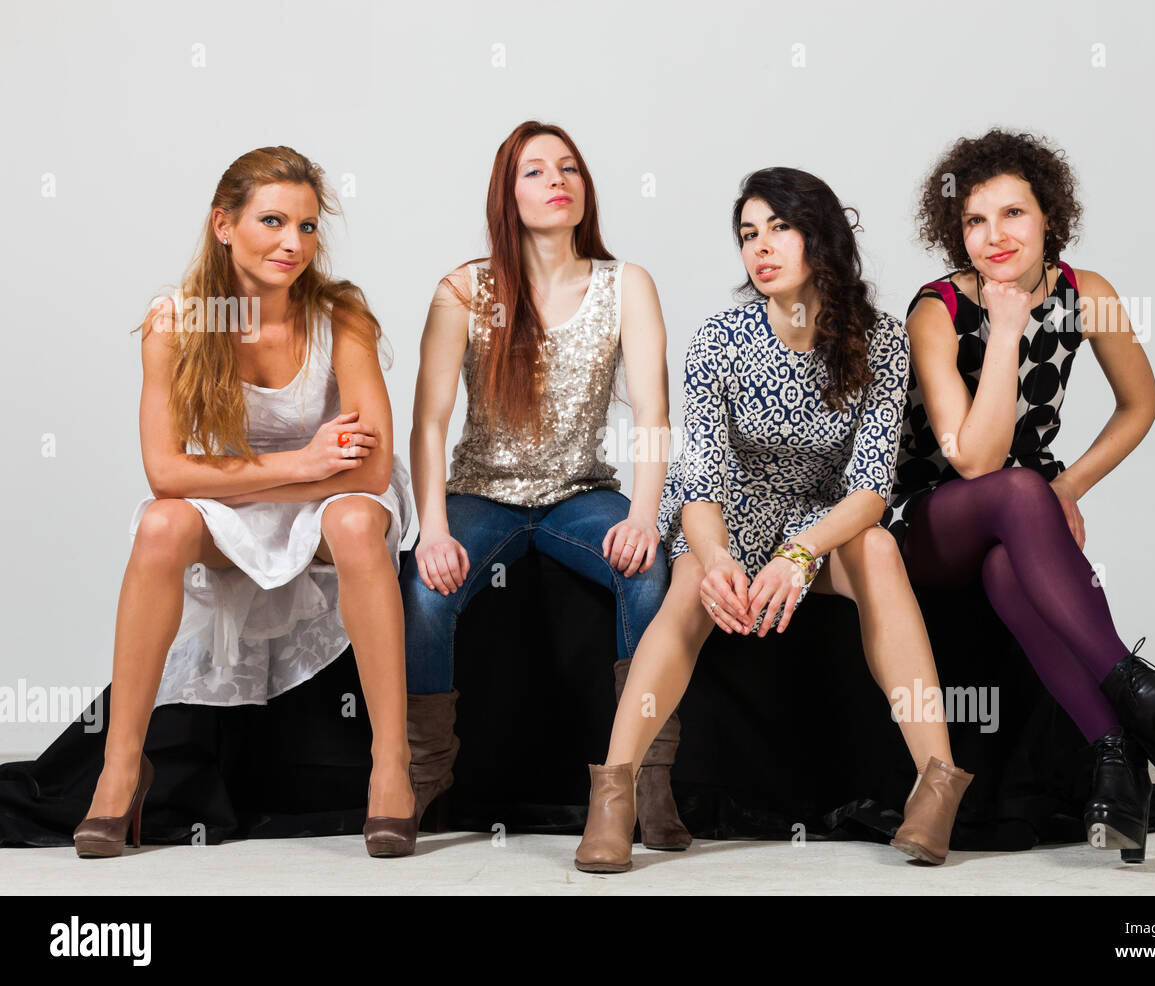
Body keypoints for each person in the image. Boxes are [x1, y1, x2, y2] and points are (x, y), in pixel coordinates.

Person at [575, 167, 975, 874]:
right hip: (726, 512)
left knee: (880, 550)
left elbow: (872, 487)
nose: (760, 247)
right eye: (747, 234)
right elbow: (698, 480)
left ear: (819, 236)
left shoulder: (880, 341)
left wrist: (800, 554)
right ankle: (614, 792)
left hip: (826, 521)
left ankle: (936, 783)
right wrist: (720, 556)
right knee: (695, 575)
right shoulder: (718, 340)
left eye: (779, 228)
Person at [74, 146, 418, 859]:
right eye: (273, 221)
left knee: (356, 522)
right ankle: (121, 766)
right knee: (163, 526)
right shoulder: (176, 321)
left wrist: (299, 479)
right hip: (271, 486)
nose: (294, 243)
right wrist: (300, 463)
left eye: (308, 226)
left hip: (332, 496)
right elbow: (165, 473)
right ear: (223, 225)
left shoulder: (340, 315)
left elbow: (376, 463)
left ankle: (392, 765)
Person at [882, 128, 1155, 863]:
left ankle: (1114, 761)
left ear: (1049, 219)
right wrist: (1004, 331)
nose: (994, 235)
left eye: (1013, 214)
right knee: (1012, 490)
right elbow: (972, 460)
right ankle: (1138, 692)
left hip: (1021, 513)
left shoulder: (1085, 293)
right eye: (974, 220)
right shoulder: (936, 310)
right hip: (929, 519)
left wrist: (1068, 485)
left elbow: (1139, 405)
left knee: (1013, 554)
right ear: (954, 230)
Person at [399, 121, 688, 849]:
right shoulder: (466, 289)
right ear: (508, 193)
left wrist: (645, 515)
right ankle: (424, 769)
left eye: (569, 168)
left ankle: (646, 777)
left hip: (578, 495)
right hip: (481, 494)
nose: (557, 180)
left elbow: (654, 413)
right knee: (424, 590)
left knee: (649, 568)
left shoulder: (629, 285)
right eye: (534, 171)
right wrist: (433, 528)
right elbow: (428, 424)